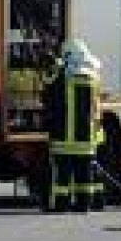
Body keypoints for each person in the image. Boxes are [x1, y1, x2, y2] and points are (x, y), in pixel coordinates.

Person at [42, 39, 102, 213]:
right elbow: (96, 106)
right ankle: (84, 205)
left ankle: (61, 205)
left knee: (62, 177)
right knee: (84, 176)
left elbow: (48, 96)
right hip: (86, 140)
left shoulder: (61, 76)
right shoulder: (93, 77)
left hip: (64, 140)